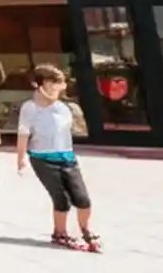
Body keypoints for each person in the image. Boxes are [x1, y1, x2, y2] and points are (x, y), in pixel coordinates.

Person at [17, 64, 100, 252]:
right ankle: (59, 233)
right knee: (61, 199)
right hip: (42, 158)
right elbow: (23, 132)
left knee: (83, 199)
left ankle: (86, 229)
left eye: (60, 83)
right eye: (53, 82)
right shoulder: (29, 108)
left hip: (67, 158)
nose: (58, 87)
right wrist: (20, 158)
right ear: (39, 84)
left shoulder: (64, 108)